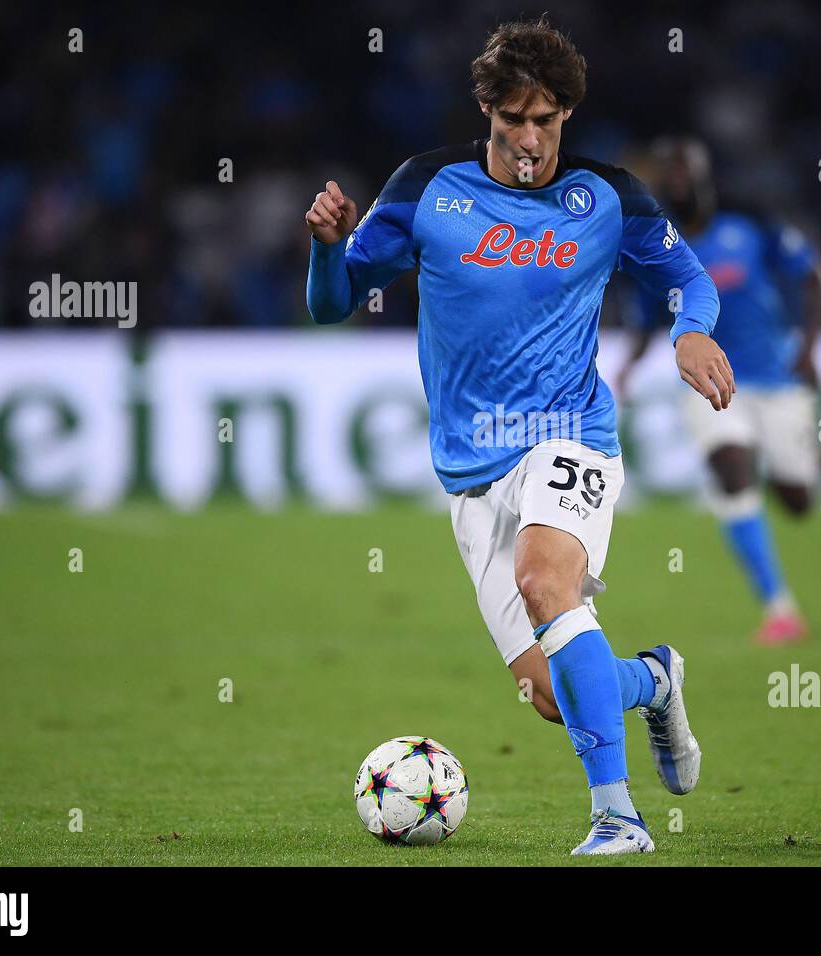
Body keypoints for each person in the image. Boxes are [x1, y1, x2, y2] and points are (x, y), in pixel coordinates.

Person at [305, 18, 733, 855]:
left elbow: (688, 276)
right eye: (512, 120)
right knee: (550, 694)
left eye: (545, 120)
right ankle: (653, 680)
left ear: (567, 114)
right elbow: (333, 302)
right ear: (485, 109)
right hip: (471, 473)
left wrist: (691, 329)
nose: (529, 139)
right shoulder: (427, 188)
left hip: (569, 435)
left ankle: (618, 818)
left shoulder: (607, 197)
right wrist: (325, 251)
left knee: (547, 585)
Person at [615, 137, 821, 645]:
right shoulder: (660, 249)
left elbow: (820, 278)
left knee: (798, 500)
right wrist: (628, 366)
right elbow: (648, 318)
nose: (678, 184)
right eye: (668, 177)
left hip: (777, 380)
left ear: (703, 178)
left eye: (684, 173)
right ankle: (779, 607)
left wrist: (809, 349)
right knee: (731, 466)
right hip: (708, 380)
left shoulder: (751, 228)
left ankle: (806, 466)